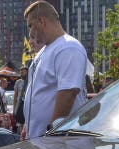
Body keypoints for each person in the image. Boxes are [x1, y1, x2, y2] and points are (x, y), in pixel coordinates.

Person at [21, 1, 88, 140]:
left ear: (41, 21)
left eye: (30, 26)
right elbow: (39, 92)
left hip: (59, 143)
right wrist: (27, 126)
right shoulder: (46, 50)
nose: (30, 32)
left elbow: (68, 93)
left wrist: (53, 134)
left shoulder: (68, 47)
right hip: (42, 140)